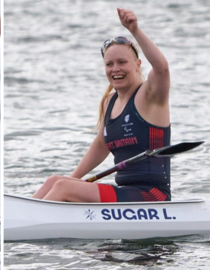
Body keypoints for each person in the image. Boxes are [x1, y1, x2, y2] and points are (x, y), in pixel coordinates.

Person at [32, 8, 171, 203]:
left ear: (138, 64)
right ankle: (18, 219)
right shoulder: (109, 102)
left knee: (63, 187)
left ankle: (25, 225)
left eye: (122, 62)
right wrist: (73, 180)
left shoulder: (149, 95)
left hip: (152, 195)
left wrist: (135, 30)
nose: (115, 69)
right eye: (109, 64)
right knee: (54, 181)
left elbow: (162, 68)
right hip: (125, 191)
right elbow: (100, 145)